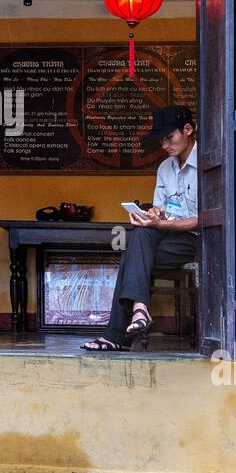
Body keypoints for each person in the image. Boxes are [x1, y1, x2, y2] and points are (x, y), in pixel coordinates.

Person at [82, 105, 199, 352]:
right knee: (141, 234)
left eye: (170, 137)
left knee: (131, 256)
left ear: (187, 130)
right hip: (165, 234)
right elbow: (163, 209)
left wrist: (161, 222)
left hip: (194, 238)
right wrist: (154, 215)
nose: (165, 145)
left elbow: (204, 219)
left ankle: (117, 335)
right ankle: (139, 312)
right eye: (161, 140)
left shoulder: (207, 165)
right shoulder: (165, 168)